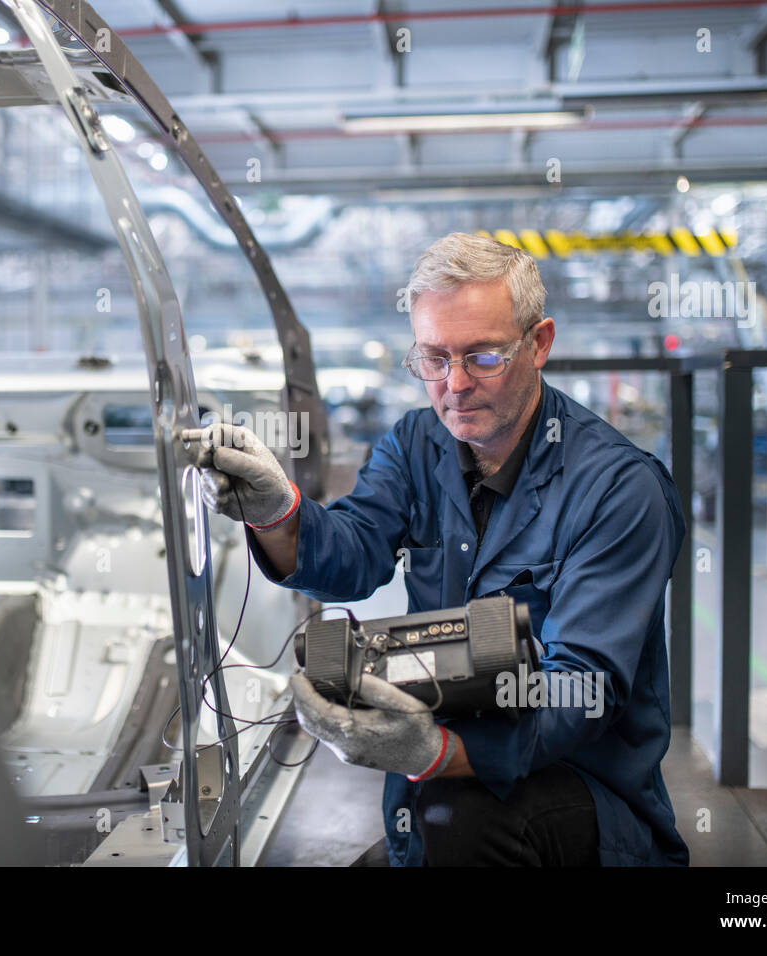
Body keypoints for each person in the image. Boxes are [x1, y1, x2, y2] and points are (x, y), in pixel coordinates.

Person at [181, 233, 688, 867]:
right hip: (433, 797)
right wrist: (276, 510)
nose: (455, 385)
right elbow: (355, 551)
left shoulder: (618, 490)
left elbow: (579, 691)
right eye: (434, 358)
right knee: (440, 819)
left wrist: (435, 754)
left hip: (583, 793)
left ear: (539, 343)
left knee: (462, 814)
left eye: (483, 357)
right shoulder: (417, 443)